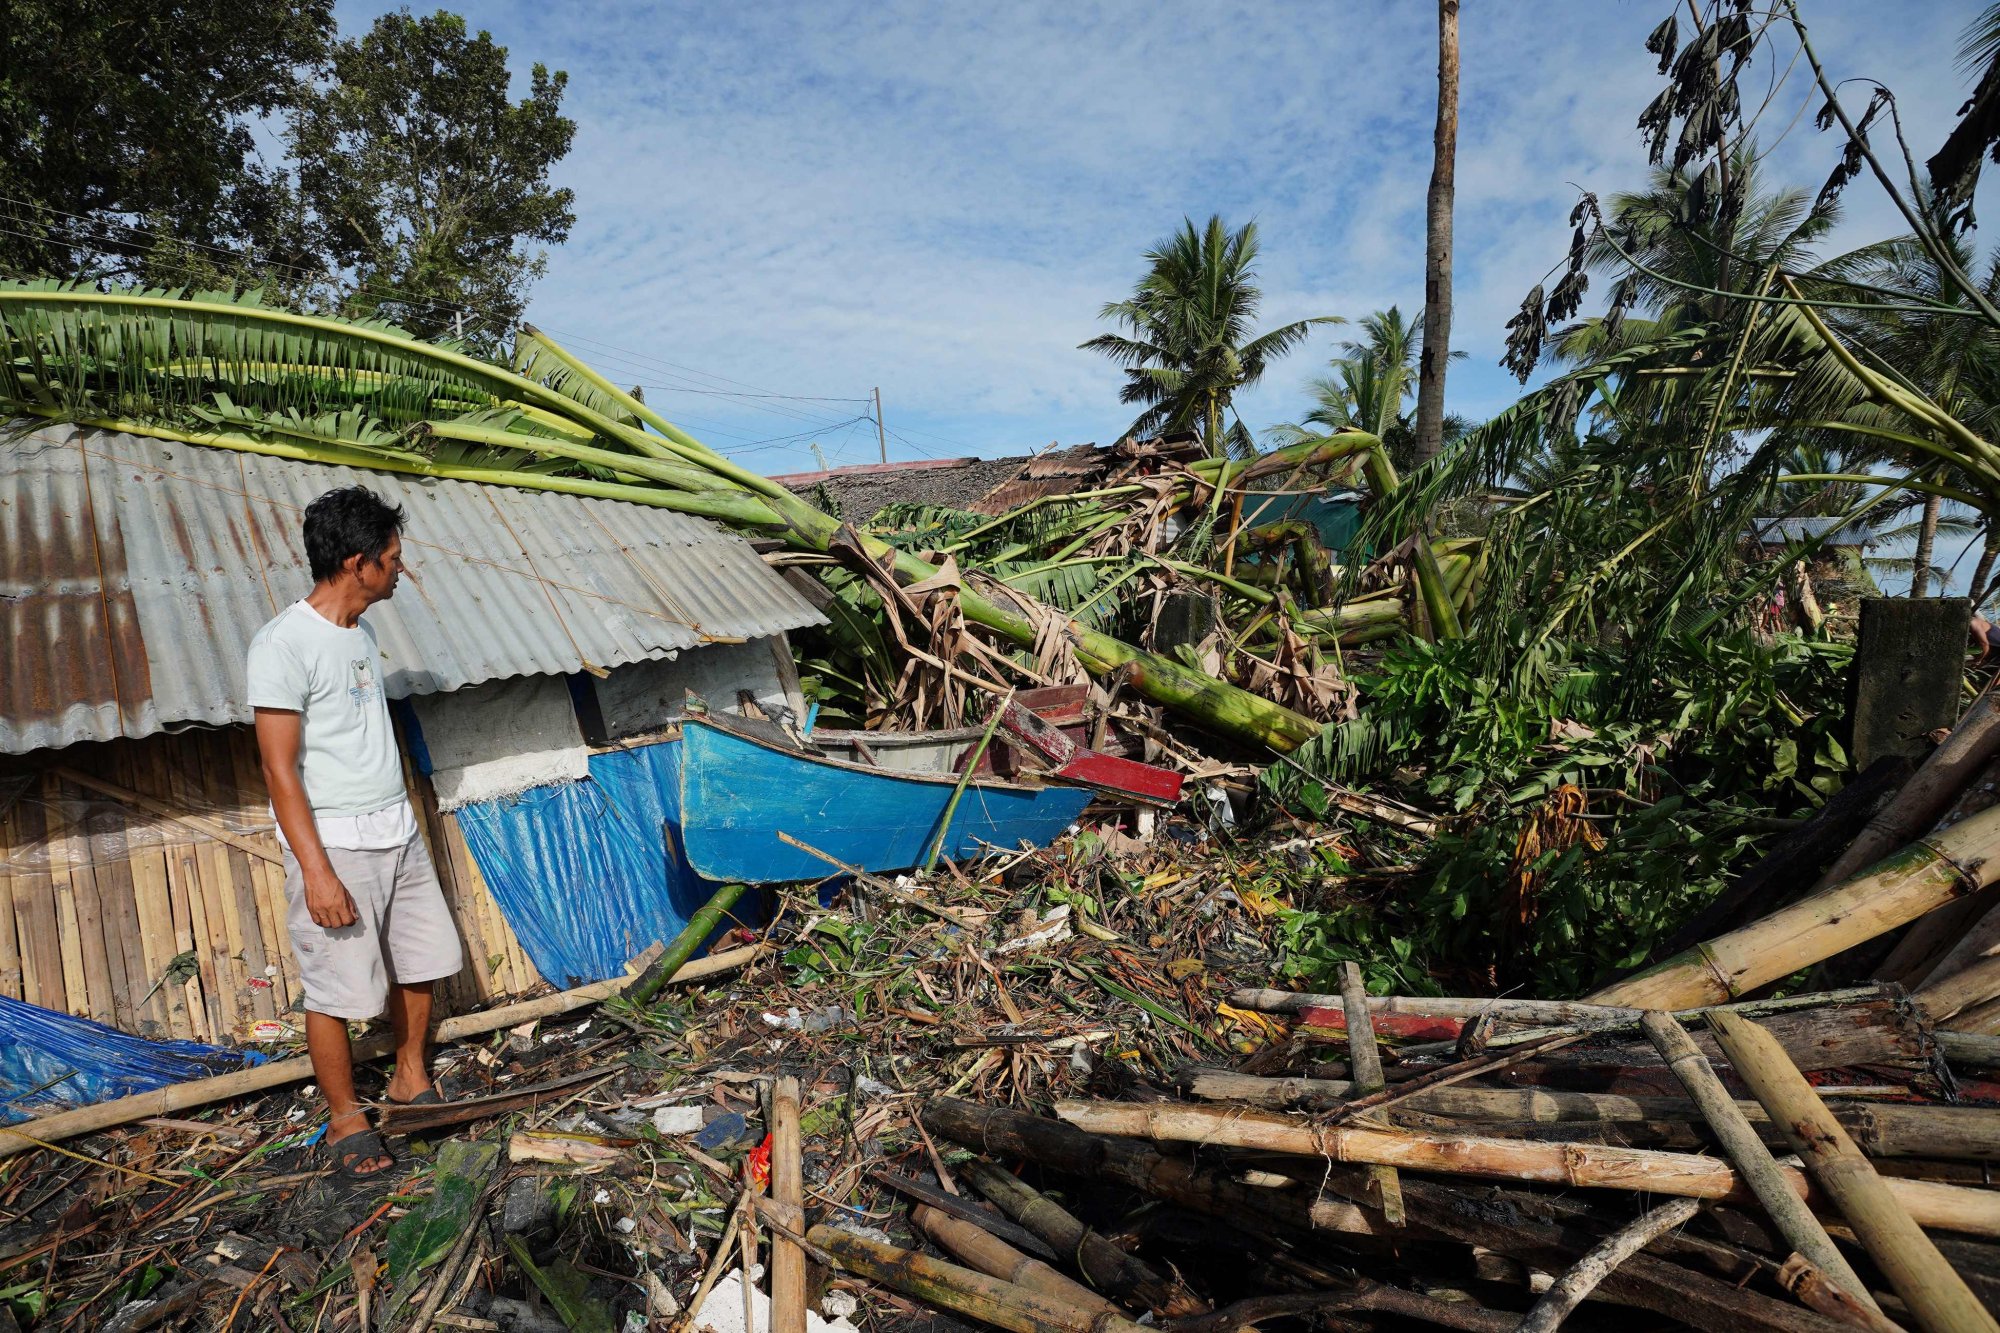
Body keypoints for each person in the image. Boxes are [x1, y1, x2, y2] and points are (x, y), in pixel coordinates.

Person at [248, 486, 463, 1180]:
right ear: (356, 562)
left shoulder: (362, 632)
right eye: (393, 558)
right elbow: (279, 770)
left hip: (395, 830)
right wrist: (316, 870)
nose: (401, 569)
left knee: (423, 957)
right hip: (336, 843)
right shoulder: (283, 644)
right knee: (337, 989)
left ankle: (408, 1076)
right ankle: (345, 1116)